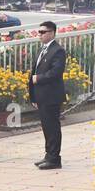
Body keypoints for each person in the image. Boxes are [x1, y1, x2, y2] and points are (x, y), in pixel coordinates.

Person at [28, 20, 66, 171]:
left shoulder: (58, 51)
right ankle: (48, 155)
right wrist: (33, 96)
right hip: (41, 95)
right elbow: (34, 71)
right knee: (46, 127)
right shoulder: (42, 49)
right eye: (39, 32)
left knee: (53, 127)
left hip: (51, 95)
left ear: (52, 33)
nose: (40, 35)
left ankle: (55, 158)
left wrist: (39, 78)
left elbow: (56, 72)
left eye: (43, 32)